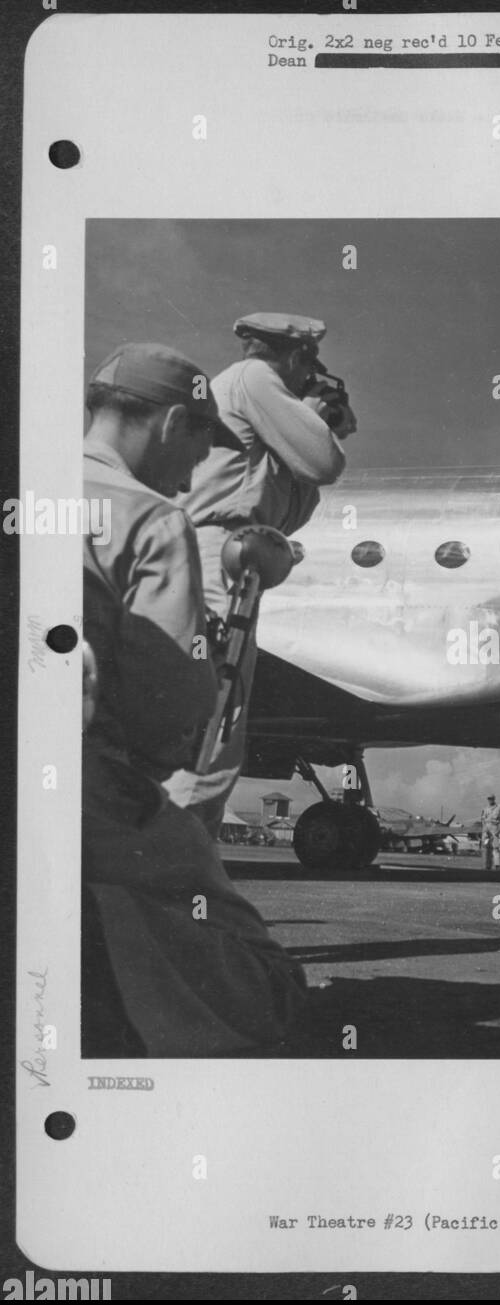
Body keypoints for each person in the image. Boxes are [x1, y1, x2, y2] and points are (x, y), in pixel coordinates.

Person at [82, 342, 306, 1056]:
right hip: (91, 791)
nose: (189, 481)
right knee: (268, 987)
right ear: (175, 423)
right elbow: (170, 708)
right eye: (198, 453)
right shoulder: (149, 517)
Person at [166, 312, 355, 838]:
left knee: (222, 712)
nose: (309, 378)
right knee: (214, 708)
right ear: (294, 355)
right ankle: (177, 849)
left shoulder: (251, 401)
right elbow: (325, 461)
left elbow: (290, 510)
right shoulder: (254, 378)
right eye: (309, 366)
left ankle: (186, 847)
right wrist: (316, 419)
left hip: (238, 555)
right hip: (219, 556)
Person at [480, 794, 500, 871]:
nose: (490, 800)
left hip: (494, 827)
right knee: (485, 847)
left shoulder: (499, 807)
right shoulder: (485, 808)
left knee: (495, 847)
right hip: (486, 828)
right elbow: (483, 819)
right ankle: (486, 865)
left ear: (494, 799)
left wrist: (499, 829)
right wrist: (484, 829)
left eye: (491, 798)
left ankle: (497, 865)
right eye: (489, 798)